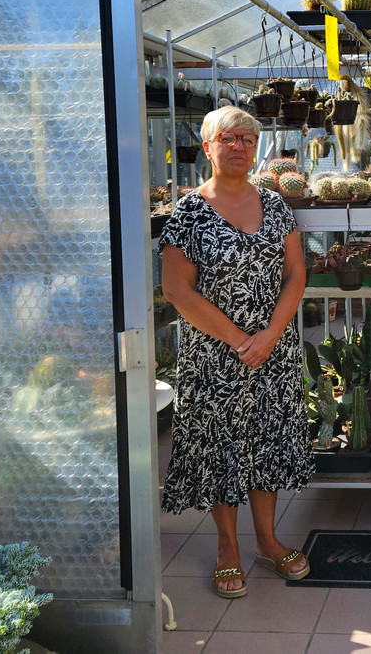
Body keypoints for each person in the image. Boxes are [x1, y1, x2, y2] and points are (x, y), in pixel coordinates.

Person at [159, 105, 313, 599]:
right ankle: (228, 547)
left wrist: (269, 334)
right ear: (208, 147)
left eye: (248, 138)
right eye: (229, 138)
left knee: (265, 443)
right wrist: (237, 338)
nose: (240, 146)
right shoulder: (187, 213)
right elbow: (177, 291)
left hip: (273, 349)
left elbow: (296, 273)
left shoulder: (275, 204)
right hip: (214, 356)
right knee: (222, 450)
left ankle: (267, 540)